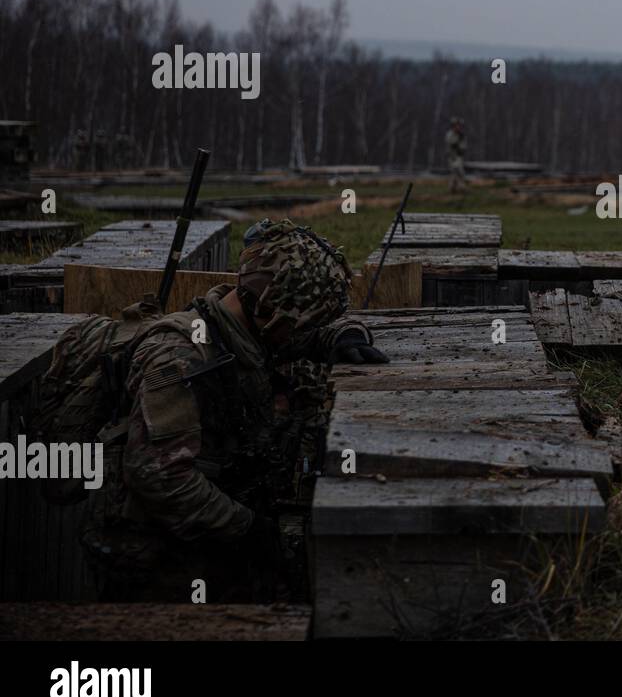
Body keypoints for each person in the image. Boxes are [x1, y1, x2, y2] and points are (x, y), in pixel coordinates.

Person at [81, 219, 389, 601]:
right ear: (269, 310)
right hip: (155, 552)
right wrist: (248, 529)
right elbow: (159, 477)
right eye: (299, 327)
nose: (301, 337)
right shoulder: (180, 358)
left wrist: (344, 335)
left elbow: (305, 328)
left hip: (207, 526)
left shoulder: (246, 327)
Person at [446, 117, 468, 194]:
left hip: (459, 156)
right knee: (456, 172)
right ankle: (456, 189)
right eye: (456, 125)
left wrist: (461, 148)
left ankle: (457, 189)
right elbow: (451, 143)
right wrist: (458, 141)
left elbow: (464, 146)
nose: (458, 127)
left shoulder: (461, 135)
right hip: (452, 156)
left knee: (459, 173)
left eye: (459, 125)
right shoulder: (450, 134)